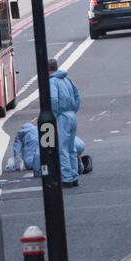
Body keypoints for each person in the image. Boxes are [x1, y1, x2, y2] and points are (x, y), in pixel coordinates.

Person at [6, 119, 89, 177]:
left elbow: (17, 147)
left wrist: (17, 162)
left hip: (42, 153)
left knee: (36, 161)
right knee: (66, 151)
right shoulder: (46, 130)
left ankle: (66, 165)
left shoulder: (25, 135)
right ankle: (73, 161)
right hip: (74, 144)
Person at [47, 58, 82, 187]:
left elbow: (53, 99)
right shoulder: (67, 80)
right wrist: (73, 110)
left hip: (62, 116)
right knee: (71, 148)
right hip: (72, 115)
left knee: (62, 149)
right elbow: (77, 96)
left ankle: (66, 178)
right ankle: (74, 176)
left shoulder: (53, 82)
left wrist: (54, 115)